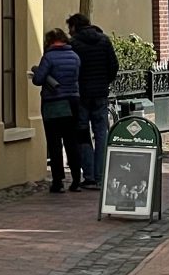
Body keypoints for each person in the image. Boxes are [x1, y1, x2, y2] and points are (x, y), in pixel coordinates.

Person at [31, 29, 93, 192]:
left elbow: (38, 80)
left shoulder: (49, 57)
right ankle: (76, 180)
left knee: (54, 142)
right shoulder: (75, 57)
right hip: (73, 101)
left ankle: (58, 182)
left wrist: (38, 72)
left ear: (50, 41)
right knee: (72, 141)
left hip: (53, 103)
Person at [67, 12, 118, 177]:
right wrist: (104, 82)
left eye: (70, 28)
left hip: (82, 94)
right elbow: (113, 66)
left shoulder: (74, 44)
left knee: (82, 133)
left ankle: (88, 174)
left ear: (74, 27)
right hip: (100, 93)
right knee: (101, 133)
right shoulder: (104, 40)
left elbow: (72, 70)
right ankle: (100, 173)